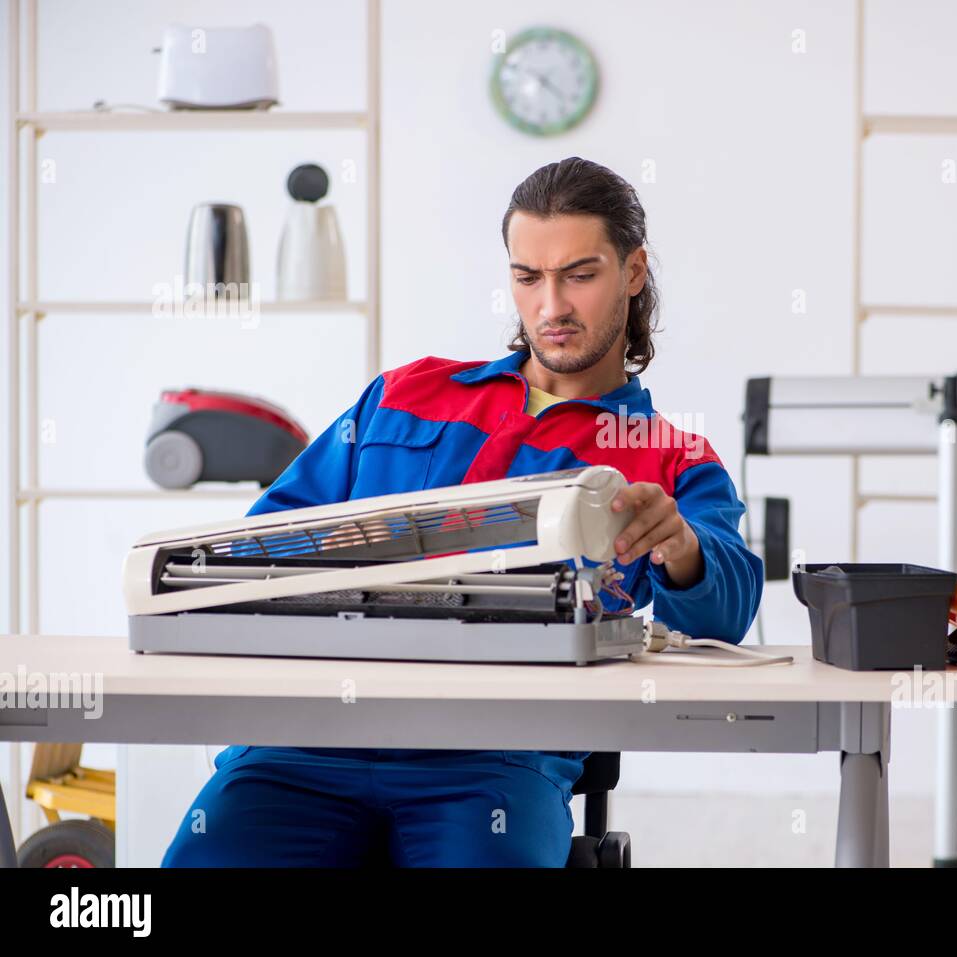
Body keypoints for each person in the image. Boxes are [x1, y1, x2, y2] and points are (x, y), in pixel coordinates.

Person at [162, 157, 763, 867]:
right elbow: (262, 544)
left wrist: (683, 549)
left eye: (579, 275)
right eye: (528, 277)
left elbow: (724, 615)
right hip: (306, 744)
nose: (551, 306)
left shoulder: (669, 456)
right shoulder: (401, 395)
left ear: (633, 272)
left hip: (498, 763)